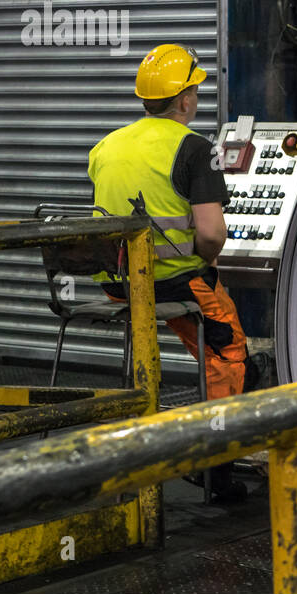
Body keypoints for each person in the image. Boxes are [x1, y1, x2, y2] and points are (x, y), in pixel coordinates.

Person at [88, 43, 248, 501]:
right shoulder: (195, 149)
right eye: (194, 91)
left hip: (119, 286)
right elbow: (212, 234)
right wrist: (206, 258)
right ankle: (215, 474)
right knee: (228, 352)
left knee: (199, 326)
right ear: (184, 100)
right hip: (171, 284)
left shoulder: (105, 146)